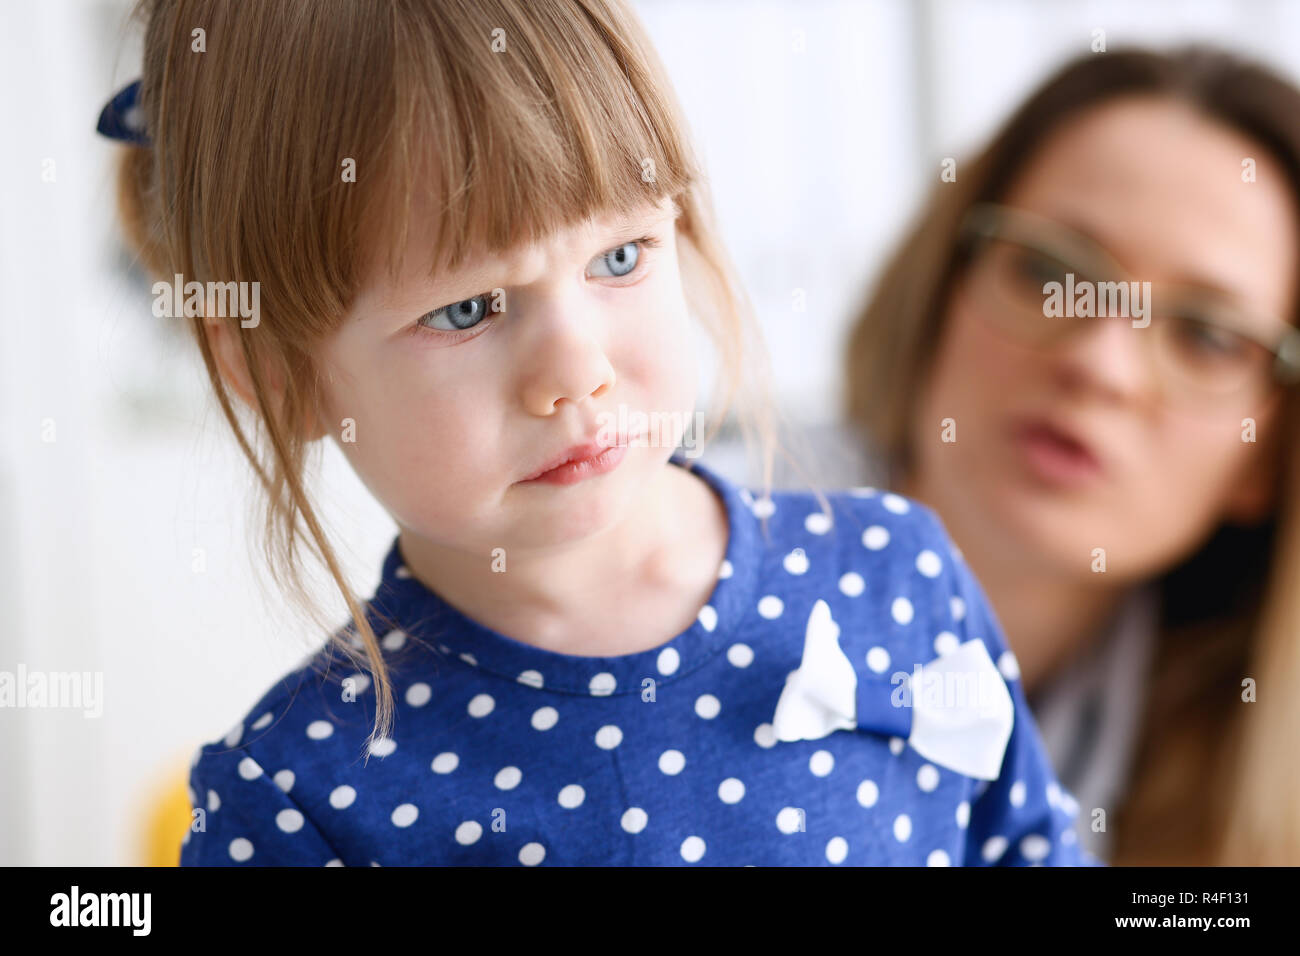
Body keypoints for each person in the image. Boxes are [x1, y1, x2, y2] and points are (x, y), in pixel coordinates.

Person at [103, 0, 1091, 866]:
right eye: (468, 308)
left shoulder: (892, 573)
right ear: (276, 372)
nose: (578, 371)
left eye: (620, 254)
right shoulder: (299, 799)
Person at [845, 44, 1300, 865]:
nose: (1100, 364)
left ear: (1269, 453)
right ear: (944, 286)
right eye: (1051, 272)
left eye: (1206, 335)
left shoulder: (1240, 806)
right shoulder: (648, 566)